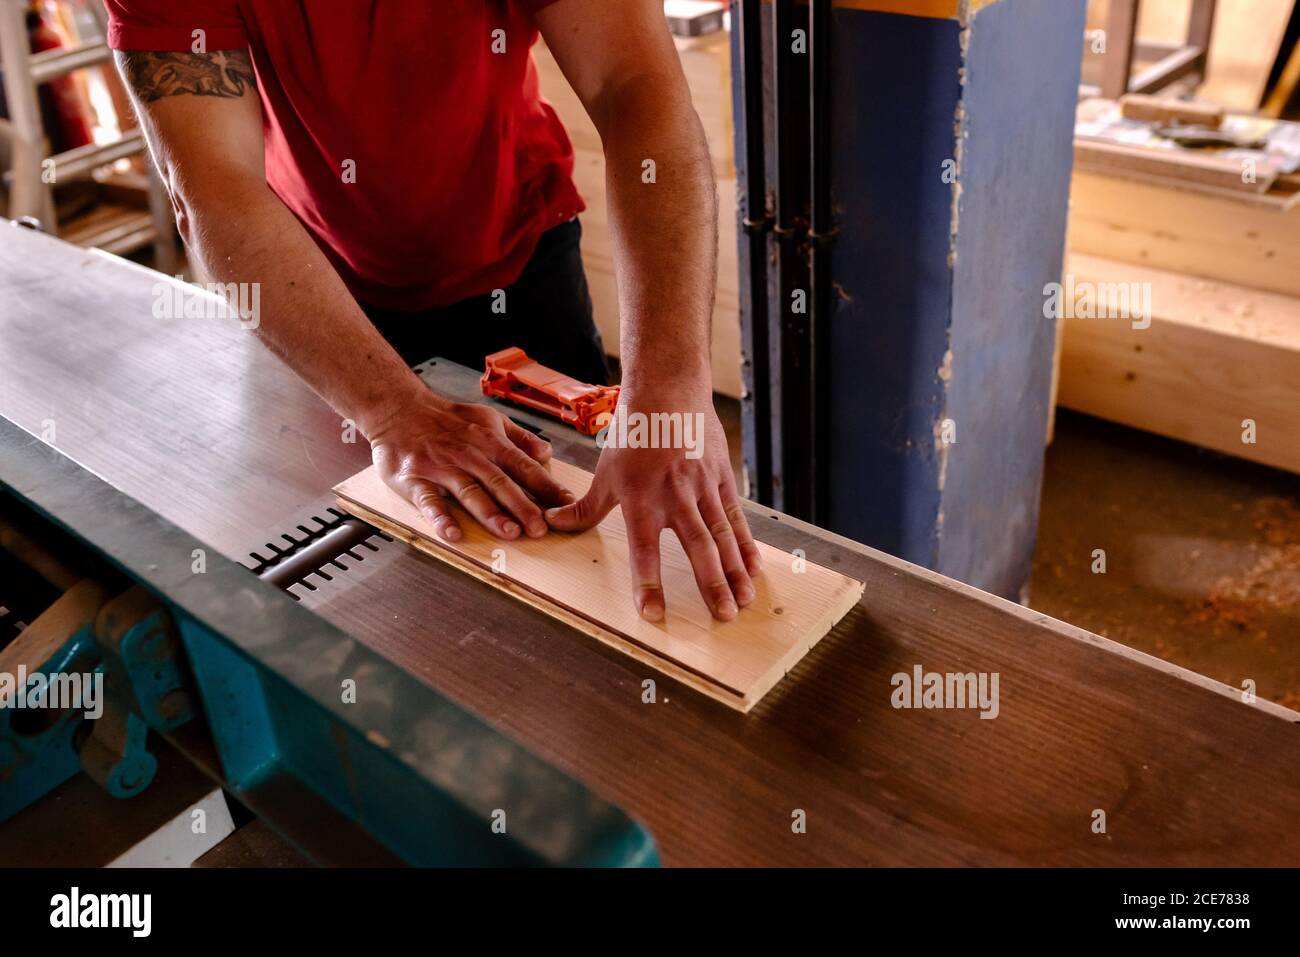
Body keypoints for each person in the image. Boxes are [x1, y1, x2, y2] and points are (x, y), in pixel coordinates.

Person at [105, 0, 761, 621]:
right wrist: (390, 409)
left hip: (517, 258)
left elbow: (633, 83)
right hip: (313, 287)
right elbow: (212, 186)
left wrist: (669, 384)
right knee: (382, 594)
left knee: (595, 560)